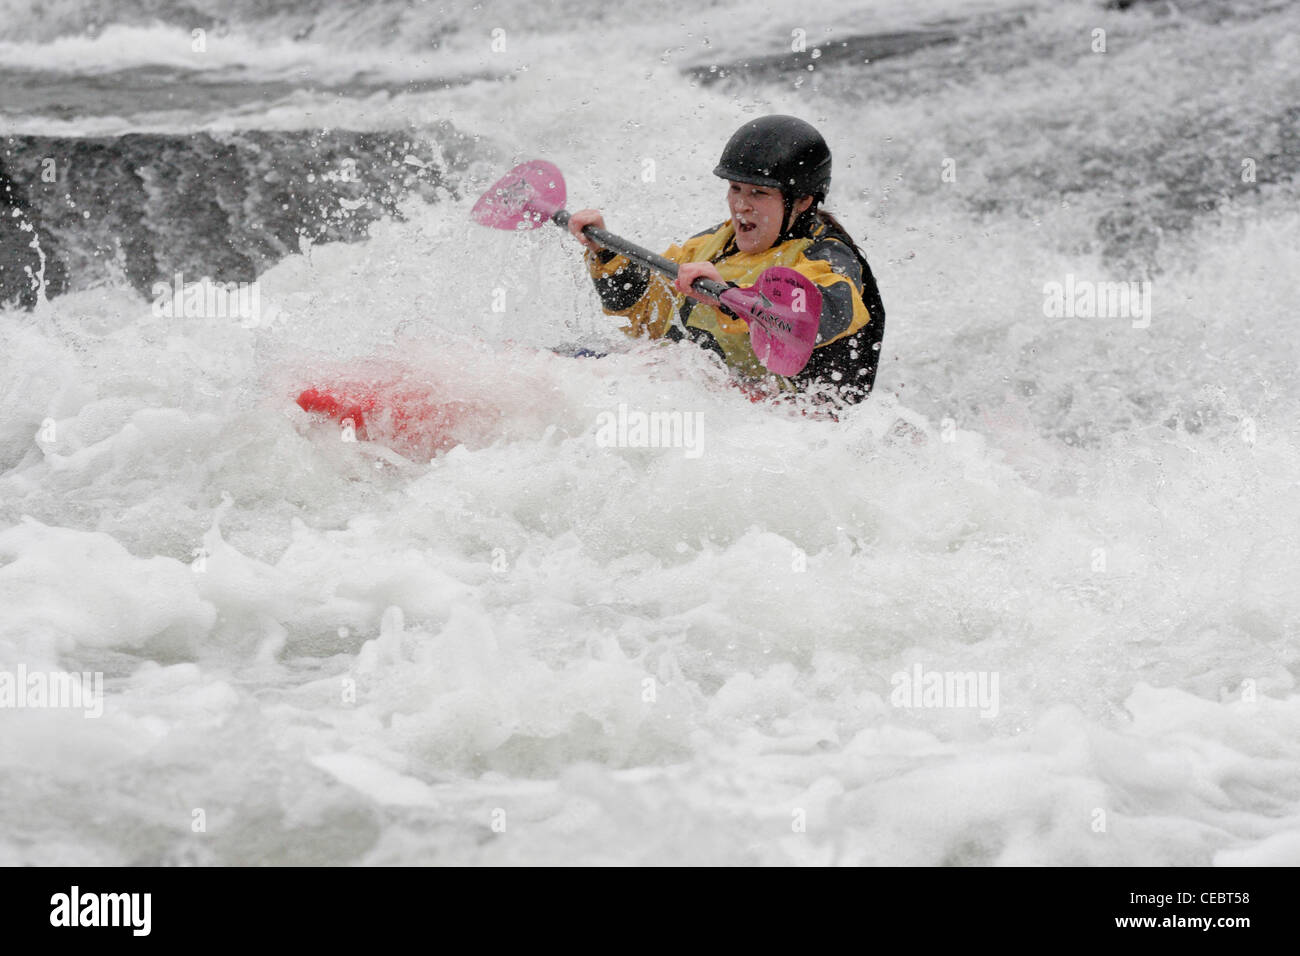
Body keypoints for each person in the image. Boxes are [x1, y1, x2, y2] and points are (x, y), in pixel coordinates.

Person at [568, 115, 885, 403]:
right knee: (548, 366)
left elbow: (821, 313)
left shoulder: (829, 257)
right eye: (735, 189)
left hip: (780, 417)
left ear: (802, 201)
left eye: (758, 193)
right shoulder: (714, 243)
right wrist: (607, 254)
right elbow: (645, 317)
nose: (741, 205)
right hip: (687, 385)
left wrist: (729, 299)